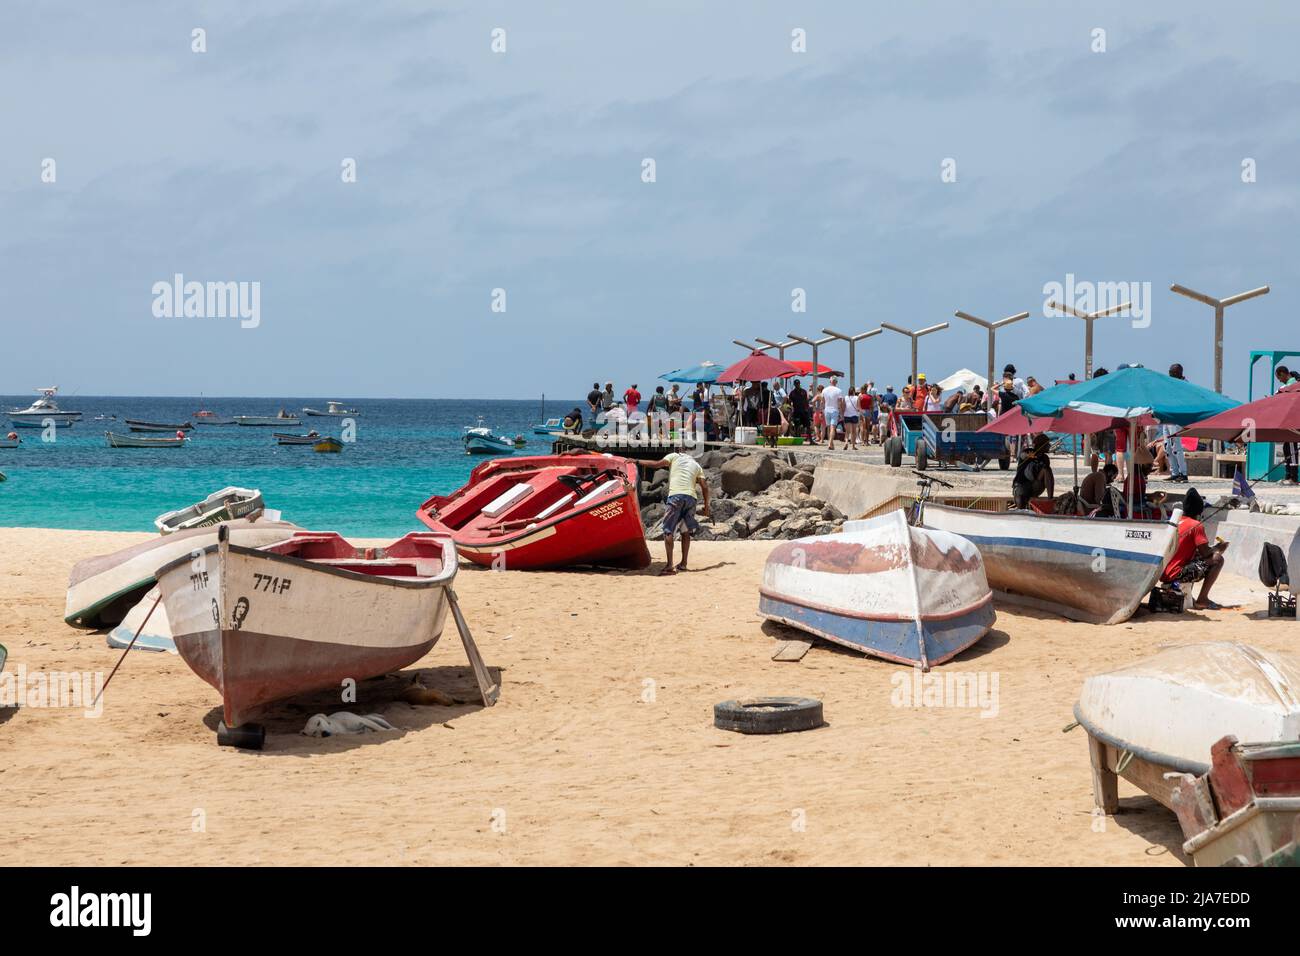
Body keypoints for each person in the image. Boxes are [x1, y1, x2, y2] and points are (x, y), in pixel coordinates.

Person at [643, 451, 711, 575]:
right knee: (685, 531)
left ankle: (669, 565)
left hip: (676, 496)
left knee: (668, 530)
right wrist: (707, 507)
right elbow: (704, 486)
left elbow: (657, 464)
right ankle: (684, 563)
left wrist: (638, 461)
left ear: (680, 451)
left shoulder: (674, 456)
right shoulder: (696, 465)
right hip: (691, 498)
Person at [1162, 488, 1228, 610]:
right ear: (1199, 511)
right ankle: (1202, 599)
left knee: (1197, 557)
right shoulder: (1195, 525)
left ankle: (1190, 596)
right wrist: (1218, 548)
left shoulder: (1176, 521)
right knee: (1218, 559)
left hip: (1164, 572)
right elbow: (1205, 553)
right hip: (1177, 573)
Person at [1161, 364, 1189, 483]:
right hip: (1167, 418)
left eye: (1172, 373)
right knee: (1167, 447)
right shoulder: (1169, 383)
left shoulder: (1185, 385)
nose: (1170, 375)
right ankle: (1174, 472)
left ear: (1178, 373)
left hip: (1176, 419)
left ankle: (1183, 473)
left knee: (1176, 447)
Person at [1012, 434, 1055, 509]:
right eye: (1047, 444)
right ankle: (1020, 511)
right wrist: (1034, 455)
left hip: (1035, 485)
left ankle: (1050, 499)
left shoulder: (1045, 458)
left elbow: (1046, 473)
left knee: (1047, 470)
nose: (1049, 446)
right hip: (1021, 485)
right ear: (1041, 445)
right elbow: (1023, 455)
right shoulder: (1028, 451)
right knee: (1021, 496)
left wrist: (1039, 455)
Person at [1278, 366, 1298, 484]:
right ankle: (1288, 475)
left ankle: (1293, 477)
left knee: (1291, 447)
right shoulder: (1288, 385)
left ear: (1283, 374)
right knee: (1287, 448)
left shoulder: (1292, 385)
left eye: (1279, 377)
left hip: (1292, 421)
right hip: (1288, 420)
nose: (1280, 380)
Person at [821, 377, 845, 450]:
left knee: (829, 427)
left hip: (826, 410)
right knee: (832, 428)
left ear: (830, 381)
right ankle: (830, 442)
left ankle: (831, 443)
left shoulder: (824, 390)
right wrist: (841, 413)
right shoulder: (838, 390)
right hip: (834, 410)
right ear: (836, 382)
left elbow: (822, 401)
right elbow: (840, 403)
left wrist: (822, 411)